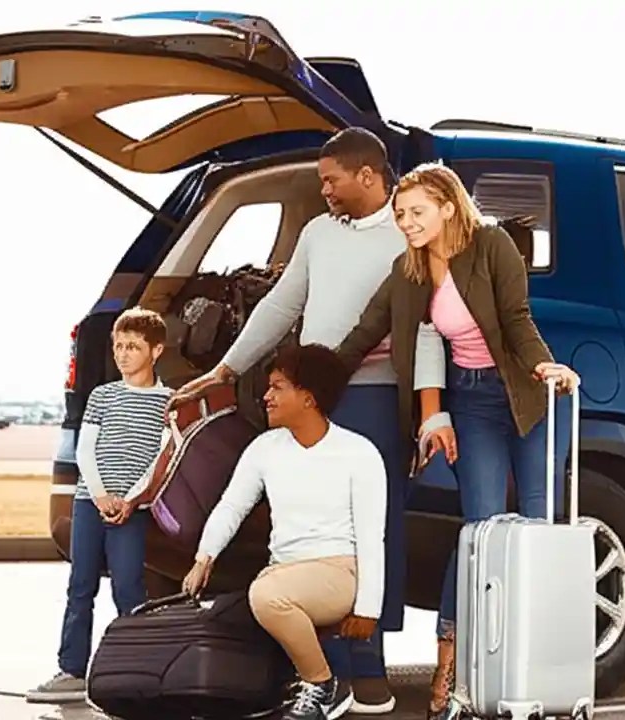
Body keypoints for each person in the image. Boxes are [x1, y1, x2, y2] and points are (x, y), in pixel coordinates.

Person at [168, 128, 447, 714]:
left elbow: (427, 328)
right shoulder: (318, 234)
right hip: (316, 395)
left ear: (368, 175)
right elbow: (282, 304)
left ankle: (366, 666)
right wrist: (227, 368)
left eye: (331, 180)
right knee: (302, 521)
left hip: (375, 394)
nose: (324, 191)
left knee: (371, 524)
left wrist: (428, 411)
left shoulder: (408, 233)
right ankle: (319, 669)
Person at [332, 162, 580, 719]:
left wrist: (545, 367)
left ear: (448, 206)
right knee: (480, 531)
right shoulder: (411, 269)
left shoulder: (493, 246)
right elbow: (368, 329)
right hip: (471, 403)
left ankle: (533, 665)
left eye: (416, 212)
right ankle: (452, 659)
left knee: (537, 527)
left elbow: (517, 321)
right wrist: (314, 379)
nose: (407, 222)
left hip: (524, 393)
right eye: (400, 215)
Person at [182, 343, 386, 720]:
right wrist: (204, 556)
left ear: (308, 398)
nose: (266, 396)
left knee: (266, 595)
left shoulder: (359, 453)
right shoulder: (264, 448)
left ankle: (323, 684)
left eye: (277, 387)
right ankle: (292, 685)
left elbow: (373, 537)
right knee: (257, 597)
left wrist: (369, 609)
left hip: (340, 573)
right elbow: (232, 506)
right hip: (284, 573)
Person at [26, 307, 172, 703]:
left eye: (133, 346)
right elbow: (86, 449)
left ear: (156, 351)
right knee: (80, 585)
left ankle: (136, 670)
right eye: (119, 346)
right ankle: (72, 670)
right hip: (91, 504)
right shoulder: (103, 396)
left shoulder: (169, 402)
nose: (123, 354)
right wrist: (100, 494)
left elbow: (161, 457)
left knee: (128, 588)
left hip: (132, 510)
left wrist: (132, 499)